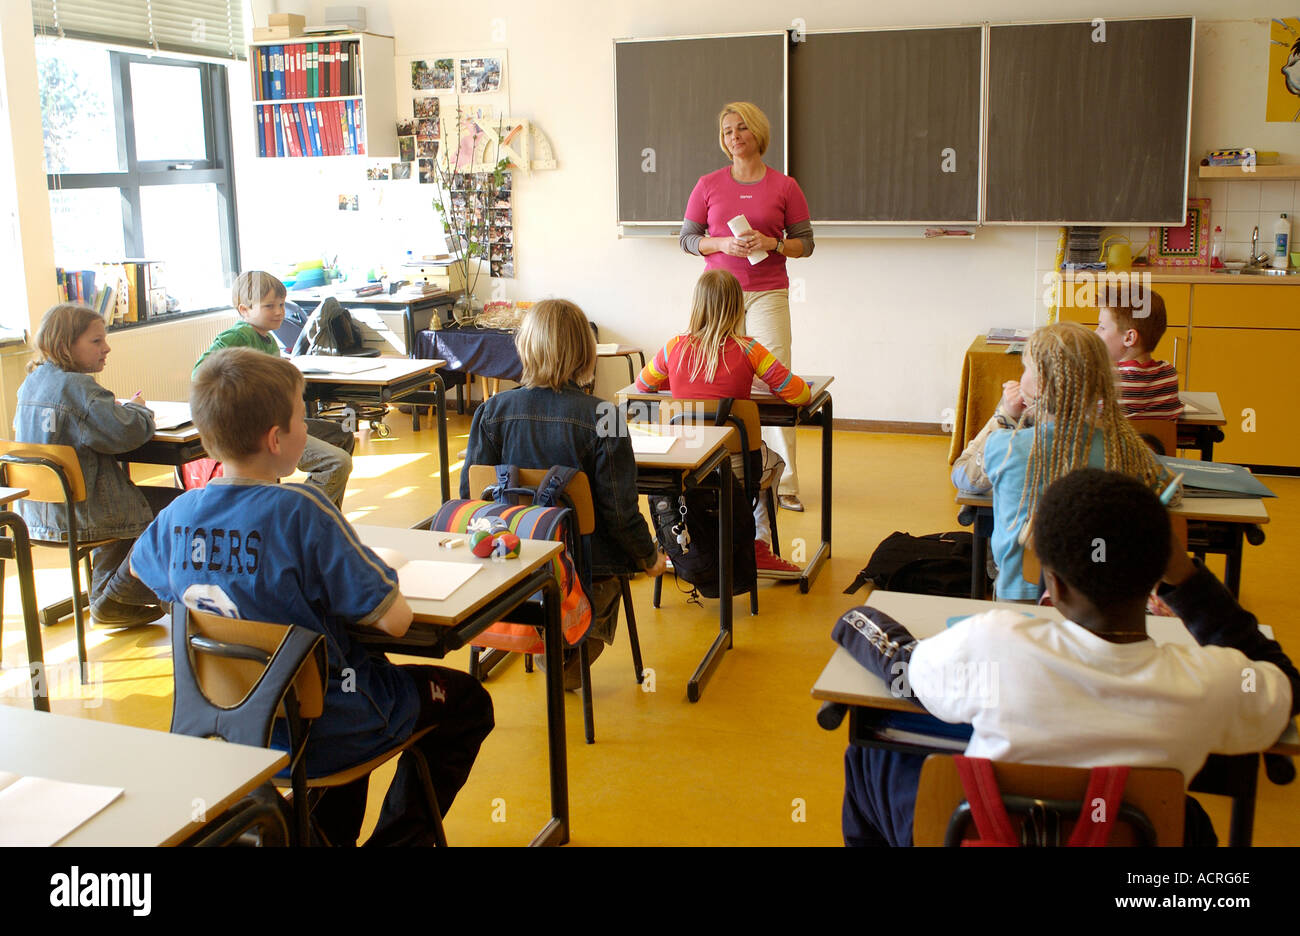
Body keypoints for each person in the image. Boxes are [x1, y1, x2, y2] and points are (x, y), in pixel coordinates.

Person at [130, 348, 493, 846]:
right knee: (467, 703)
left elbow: (141, 568)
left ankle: (325, 836)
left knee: (346, 689)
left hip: (235, 730)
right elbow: (396, 622)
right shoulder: (302, 508)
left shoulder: (179, 513)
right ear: (277, 439)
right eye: (304, 417)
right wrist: (368, 570)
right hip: (332, 727)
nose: (310, 427)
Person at [838, 468, 1300, 847]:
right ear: (1158, 577)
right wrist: (1187, 579)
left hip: (986, 835)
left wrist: (858, 620)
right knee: (1190, 817)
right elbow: (1284, 683)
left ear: (1052, 587)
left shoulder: (995, 641)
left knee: (868, 753)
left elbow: (906, 673)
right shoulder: (1211, 682)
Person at [460, 299, 668, 688]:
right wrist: (648, 556)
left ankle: (531, 635)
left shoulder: (491, 412)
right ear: (584, 352)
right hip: (584, 566)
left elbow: (470, 499)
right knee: (613, 553)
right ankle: (566, 645)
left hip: (513, 557)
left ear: (526, 346)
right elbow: (619, 512)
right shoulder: (603, 415)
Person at [951, 322, 1173, 601]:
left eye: (1026, 368)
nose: (1022, 376)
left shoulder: (1006, 446)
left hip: (1019, 599)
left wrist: (1003, 416)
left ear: (1041, 383)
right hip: (1100, 599)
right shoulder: (1124, 448)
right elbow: (1166, 490)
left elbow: (963, 475)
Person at [680, 101, 814, 513]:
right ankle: (718, 466)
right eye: (726, 132)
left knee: (773, 380)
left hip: (768, 291)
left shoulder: (785, 186)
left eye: (741, 129)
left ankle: (783, 480)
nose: (733, 137)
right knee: (717, 377)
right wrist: (722, 242)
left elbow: (805, 244)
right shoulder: (707, 184)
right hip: (719, 295)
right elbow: (687, 239)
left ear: (757, 134)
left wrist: (771, 242)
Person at [13, 303, 180, 627]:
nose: (107, 348)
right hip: (83, 513)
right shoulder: (79, 389)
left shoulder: (31, 384)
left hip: (37, 514)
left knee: (128, 501)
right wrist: (139, 409)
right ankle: (115, 594)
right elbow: (127, 432)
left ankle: (108, 593)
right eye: (96, 341)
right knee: (175, 506)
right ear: (66, 344)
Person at [635, 269, 810, 573]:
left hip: (685, 465)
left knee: (699, 480)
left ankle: (673, 545)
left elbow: (642, 387)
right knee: (775, 464)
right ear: (738, 308)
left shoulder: (672, 347)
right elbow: (801, 394)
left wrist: (678, 385)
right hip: (734, 467)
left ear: (696, 305)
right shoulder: (750, 350)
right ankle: (758, 545)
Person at [194, 271, 354, 507]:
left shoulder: (268, 340)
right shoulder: (238, 335)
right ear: (244, 310)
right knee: (336, 462)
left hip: (276, 422)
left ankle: (329, 516)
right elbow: (200, 374)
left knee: (342, 436)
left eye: (281, 304)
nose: (279, 311)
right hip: (259, 428)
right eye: (270, 306)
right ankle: (296, 514)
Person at [1094, 289, 1184, 420]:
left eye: (1101, 327)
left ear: (1129, 338)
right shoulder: (1168, 376)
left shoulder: (1104, 381)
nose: (1095, 333)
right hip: (1155, 441)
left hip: (1112, 441)